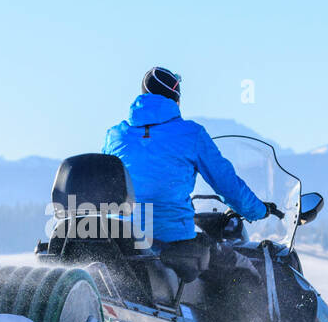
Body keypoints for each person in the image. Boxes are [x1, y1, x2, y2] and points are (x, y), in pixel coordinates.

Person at [102, 66, 283, 248]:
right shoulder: (191, 134)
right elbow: (226, 183)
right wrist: (259, 210)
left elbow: (104, 186)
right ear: (176, 99)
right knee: (243, 269)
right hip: (175, 242)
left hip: (127, 243)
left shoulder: (114, 136)